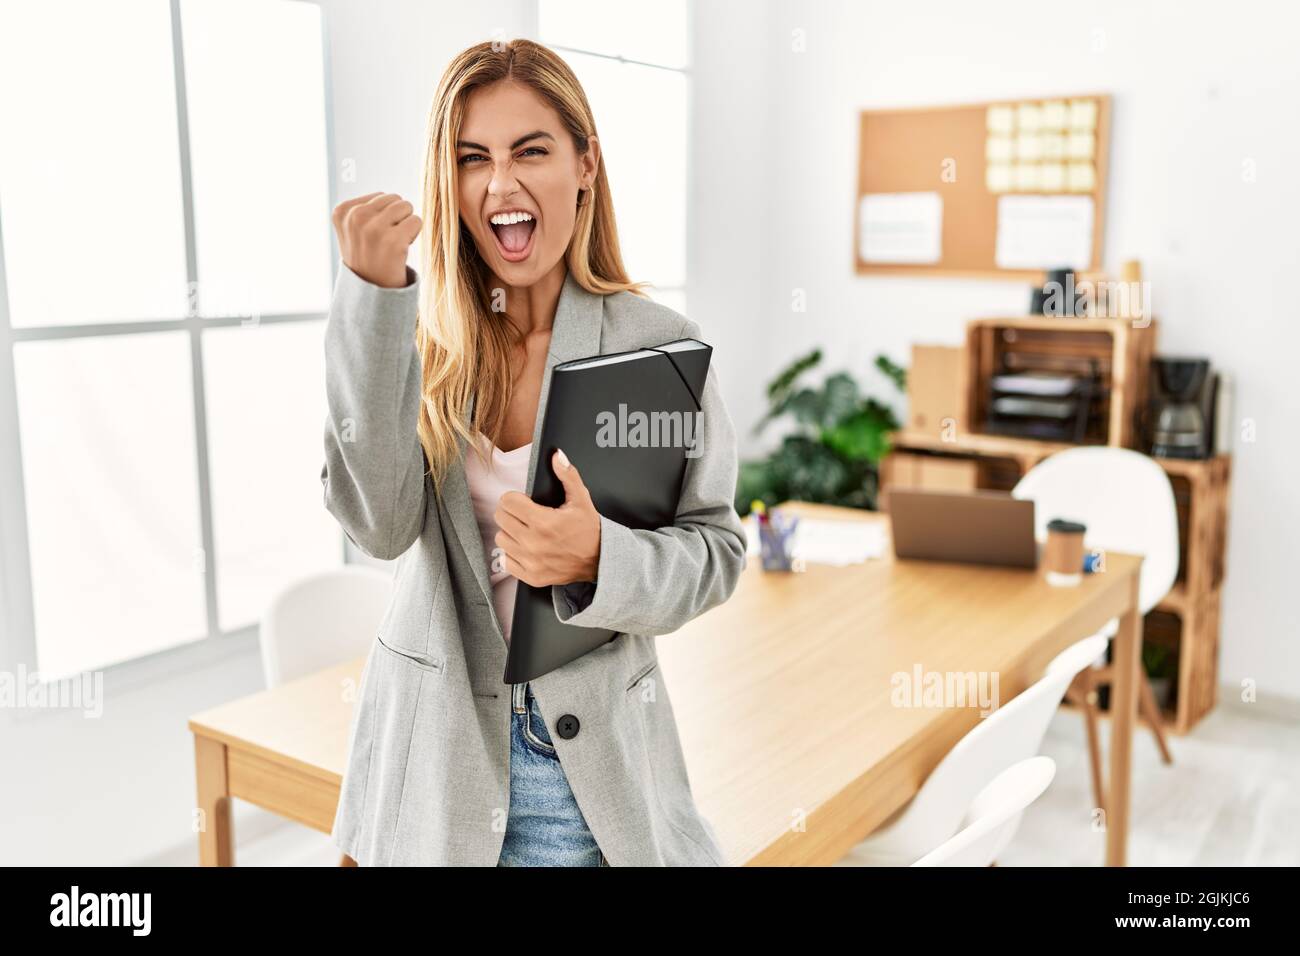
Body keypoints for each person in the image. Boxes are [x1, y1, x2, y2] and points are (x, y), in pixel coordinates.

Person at [321, 38, 746, 866]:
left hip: (580, 775)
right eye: (472, 158)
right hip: (435, 758)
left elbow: (716, 551)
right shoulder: (417, 345)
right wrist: (371, 303)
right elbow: (379, 527)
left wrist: (599, 557)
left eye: (531, 151)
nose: (501, 185)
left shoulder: (657, 346)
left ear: (586, 164)